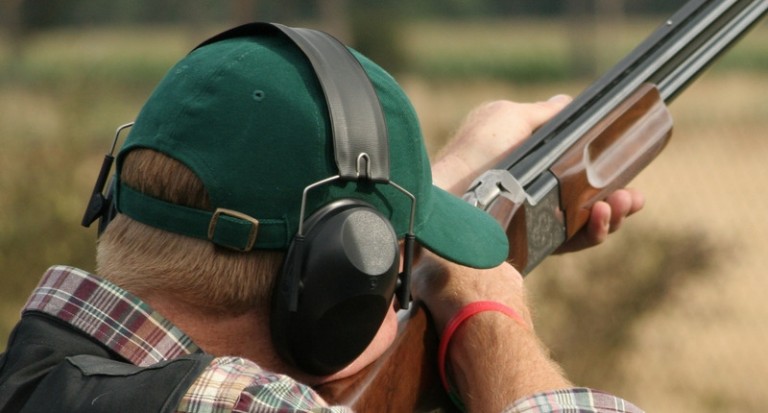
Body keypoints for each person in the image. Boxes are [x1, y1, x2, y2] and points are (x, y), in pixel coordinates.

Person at [0, 23, 644, 412]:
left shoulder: (36, 374)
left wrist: (431, 186)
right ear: (331, 297)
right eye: (386, 280)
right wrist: (490, 310)